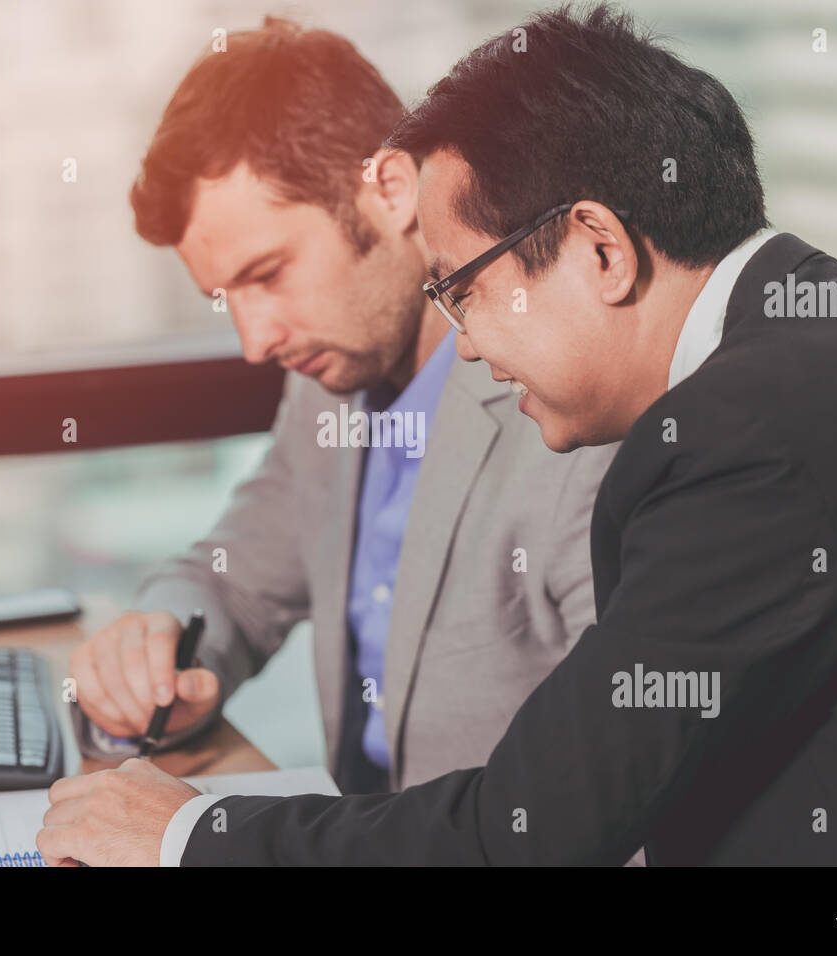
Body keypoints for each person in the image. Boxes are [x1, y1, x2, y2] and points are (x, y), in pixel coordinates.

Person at [39, 3, 837, 866]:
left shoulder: (748, 442)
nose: (466, 347)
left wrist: (181, 837)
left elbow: (535, 827)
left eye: (464, 290)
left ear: (600, 247)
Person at [56, 16, 619, 854]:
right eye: (227, 298)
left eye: (268, 276)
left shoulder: (573, 412)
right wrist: (157, 638)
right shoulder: (332, 382)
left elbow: (614, 801)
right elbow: (237, 577)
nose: (256, 341)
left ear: (389, 191)